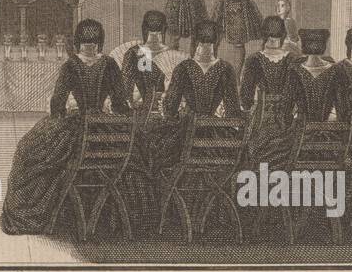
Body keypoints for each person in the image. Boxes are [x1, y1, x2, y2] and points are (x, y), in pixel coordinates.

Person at [2, 19, 150, 236]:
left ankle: (65, 217)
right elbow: (120, 104)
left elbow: (57, 105)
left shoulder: (70, 65)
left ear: (78, 42)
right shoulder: (109, 64)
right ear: (99, 42)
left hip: (79, 135)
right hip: (105, 142)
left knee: (29, 152)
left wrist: (65, 114)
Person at [154, 18, 242, 174]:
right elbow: (233, 113)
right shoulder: (226, 69)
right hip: (216, 143)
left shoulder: (183, 68)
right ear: (217, 42)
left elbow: (170, 111)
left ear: (194, 41)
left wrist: (180, 113)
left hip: (187, 139)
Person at [238, 15, 304, 165]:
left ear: (263, 34)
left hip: (262, 118)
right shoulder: (293, 59)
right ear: (283, 35)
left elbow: (245, 97)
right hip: (287, 119)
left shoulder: (254, 59)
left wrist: (248, 109)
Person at [295, 29, 350, 128]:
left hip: (301, 130)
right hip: (328, 129)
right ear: (323, 46)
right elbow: (342, 107)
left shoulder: (295, 70)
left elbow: (286, 108)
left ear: (304, 46)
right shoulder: (336, 70)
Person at [119, 10, 174, 110]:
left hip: (161, 109)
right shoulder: (135, 54)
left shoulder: (135, 53)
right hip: (146, 109)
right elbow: (126, 86)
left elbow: (126, 86)